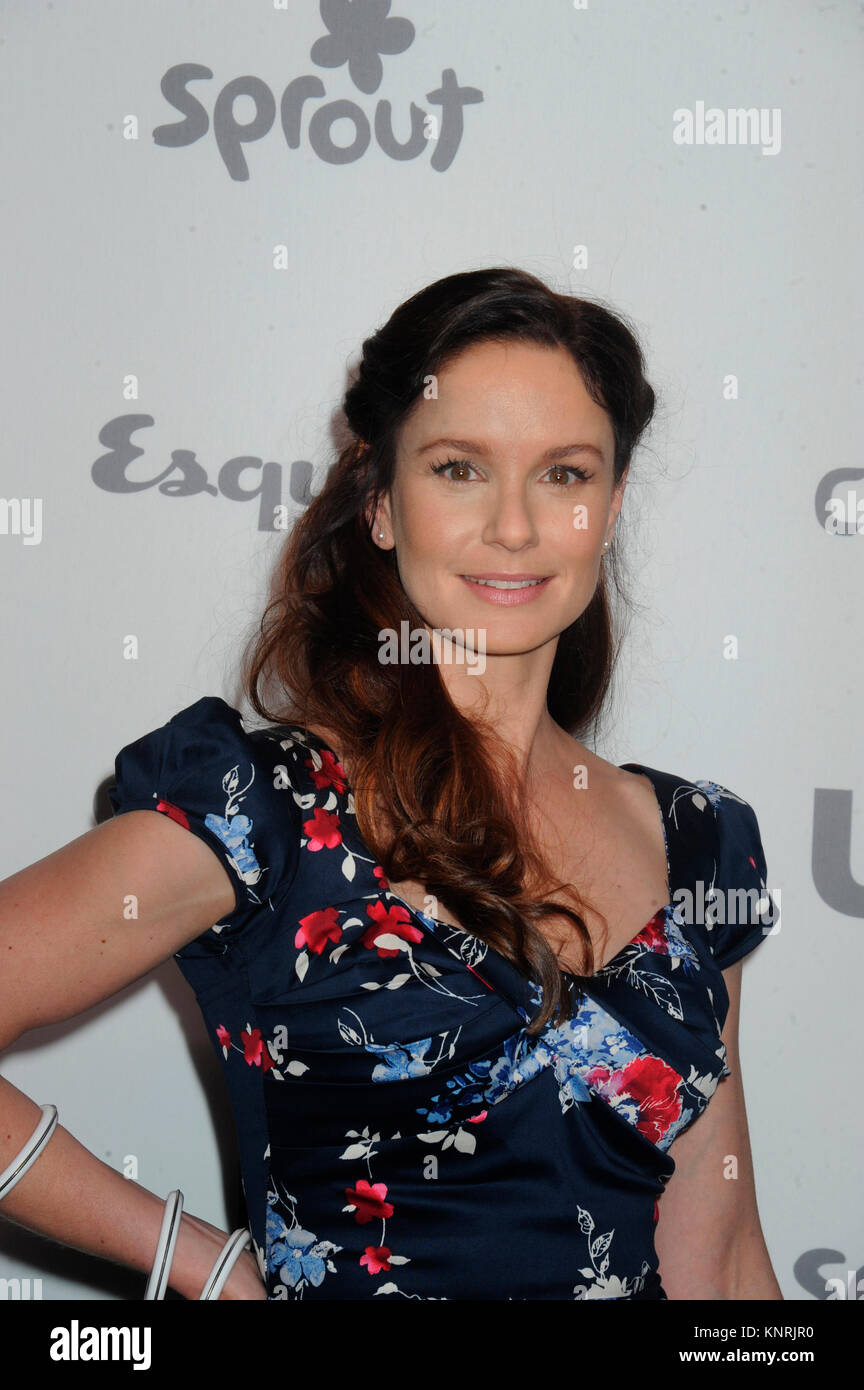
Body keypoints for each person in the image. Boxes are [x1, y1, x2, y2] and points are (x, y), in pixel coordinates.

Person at [0, 267, 781, 1301]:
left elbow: (719, 1264)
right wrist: (211, 1266)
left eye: (564, 474)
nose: (515, 525)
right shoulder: (267, 809)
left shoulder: (696, 840)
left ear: (612, 503)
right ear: (379, 503)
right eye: (459, 468)